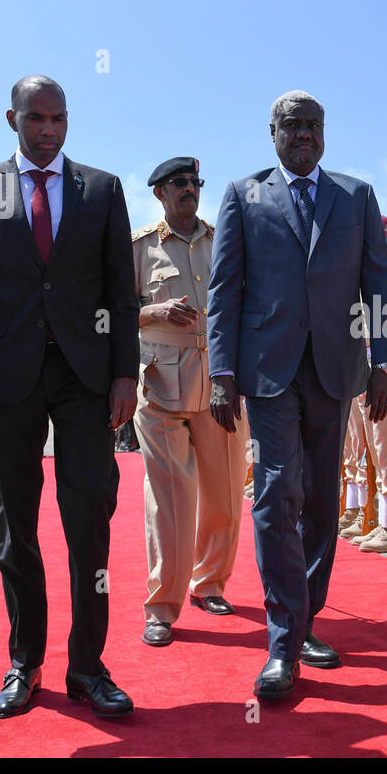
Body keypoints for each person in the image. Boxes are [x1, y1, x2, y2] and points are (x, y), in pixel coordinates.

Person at [0, 75, 139, 718]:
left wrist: (126, 374)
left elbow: (119, 293)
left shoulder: (101, 189)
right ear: (12, 119)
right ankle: (26, 662)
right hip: (9, 377)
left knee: (88, 523)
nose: (49, 130)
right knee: (16, 527)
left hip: (84, 377)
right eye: (36, 119)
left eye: (59, 118)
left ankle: (88, 667)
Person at [207, 90, 387, 700]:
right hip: (267, 373)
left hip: (336, 371)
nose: (305, 134)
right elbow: (224, 290)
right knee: (275, 494)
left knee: (321, 502)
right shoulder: (244, 195)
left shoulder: (357, 195)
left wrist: (386, 362)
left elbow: (379, 284)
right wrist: (220, 371)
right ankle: (282, 645)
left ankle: (304, 619)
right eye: (293, 126)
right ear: (273, 133)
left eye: (314, 125)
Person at [132, 157, 249, 648]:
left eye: (195, 183)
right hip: (161, 385)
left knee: (224, 496)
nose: (189, 190)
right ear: (159, 192)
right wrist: (153, 311)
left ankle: (211, 583)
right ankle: (161, 607)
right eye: (179, 183)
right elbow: (108, 312)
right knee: (171, 500)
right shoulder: (139, 248)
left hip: (219, 386)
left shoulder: (225, 239)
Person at [350, 216, 387, 554]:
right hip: (361, 373)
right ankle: (367, 514)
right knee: (363, 450)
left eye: (385, 246)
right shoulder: (359, 285)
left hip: (386, 375)